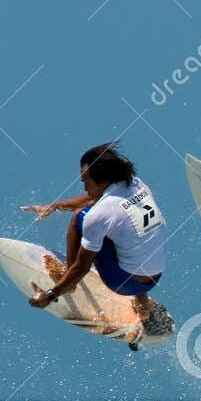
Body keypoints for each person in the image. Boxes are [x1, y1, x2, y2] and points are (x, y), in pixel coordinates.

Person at [21, 142, 174, 344]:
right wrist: (56, 205)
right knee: (128, 234)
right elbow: (93, 198)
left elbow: (82, 268)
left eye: (86, 181)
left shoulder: (101, 214)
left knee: (80, 217)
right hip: (154, 275)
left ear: (103, 181)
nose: (84, 187)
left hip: (122, 282)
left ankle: (67, 281)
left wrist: (50, 296)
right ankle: (143, 306)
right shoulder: (137, 185)